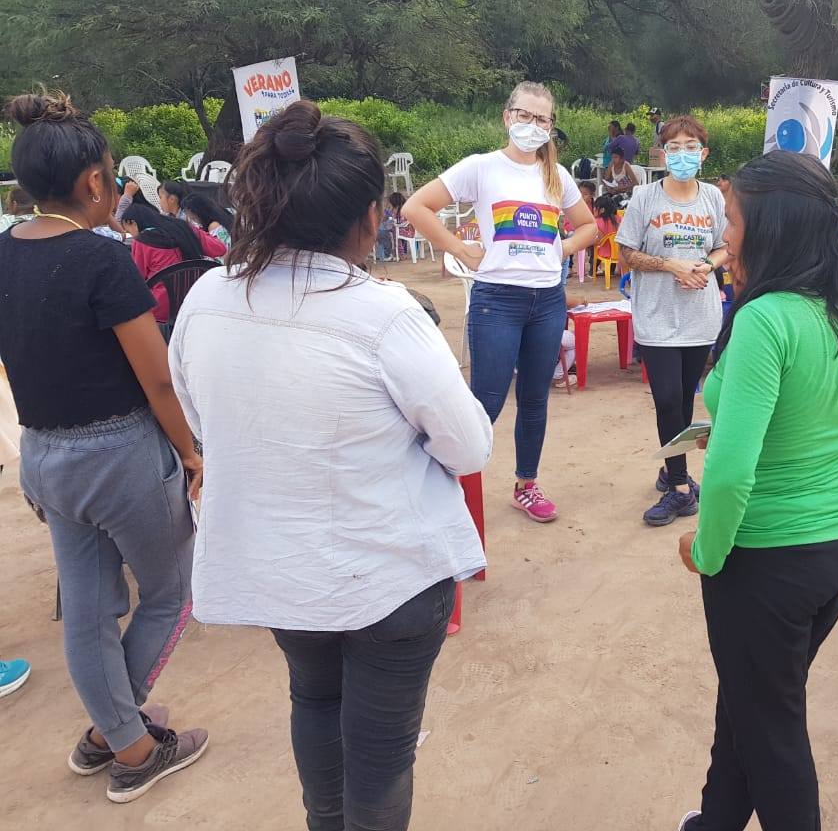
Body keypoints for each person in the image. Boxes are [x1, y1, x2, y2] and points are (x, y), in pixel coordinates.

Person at [168, 100, 490, 831]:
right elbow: (468, 447)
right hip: (391, 579)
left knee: (313, 700)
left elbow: (198, 416)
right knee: (381, 753)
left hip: (281, 573)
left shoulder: (208, 298)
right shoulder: (384, 315)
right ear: (373, 219)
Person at [674, 150, 838, 831]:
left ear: (769, 227)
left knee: (773, 730)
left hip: (765, 560)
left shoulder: (766, 318)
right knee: (751, 701)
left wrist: (707, 551)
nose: (726, 235)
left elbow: (734, 472)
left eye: (734, 220)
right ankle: (715, 820)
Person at [0, 92, 206, 803]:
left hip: (46, 456)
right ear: (94, 183)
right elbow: (156, 379)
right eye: (113, 176)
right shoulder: (101, 259)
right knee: (172, 593)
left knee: (88, 611)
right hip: (120, 458)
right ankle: (127, 742)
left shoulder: (2, 254)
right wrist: (193, 454)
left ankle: (117, 737)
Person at [402, 81, 598, 522]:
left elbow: (588, 228)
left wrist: (561, 248)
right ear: (508, 117)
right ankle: (444, 485)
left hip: (548, 301)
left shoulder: (557, 176)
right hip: (497, 302)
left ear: (551, 127)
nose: (531, 125)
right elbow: (417, 207)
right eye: (524, 116)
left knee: (534, 400)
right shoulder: (481, 167)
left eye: (541, 119)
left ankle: (526, 484)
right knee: (484, 403)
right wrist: (458, 247)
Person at [615, 115, 728, 526]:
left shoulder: (713, 197)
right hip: (657, 316)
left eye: (691, 146)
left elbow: (725, 246)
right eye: (674, 147)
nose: (683, 154)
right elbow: (626, 252)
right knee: (665, 399)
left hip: (700, 317)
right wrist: (670, 266)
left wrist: (704, 265)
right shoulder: (645, 197)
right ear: (664, 154)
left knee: (683, 399)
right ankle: (681, 490)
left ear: (704, 153)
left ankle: (672, 472)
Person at [121, 204, 227, 328]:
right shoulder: (185, 229)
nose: (131, 235)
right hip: (195, 301)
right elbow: (219, 249)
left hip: (160, 308)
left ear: (133, 223)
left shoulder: (143, 241)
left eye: (128, 230)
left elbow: (139, 278)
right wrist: (201, 234)